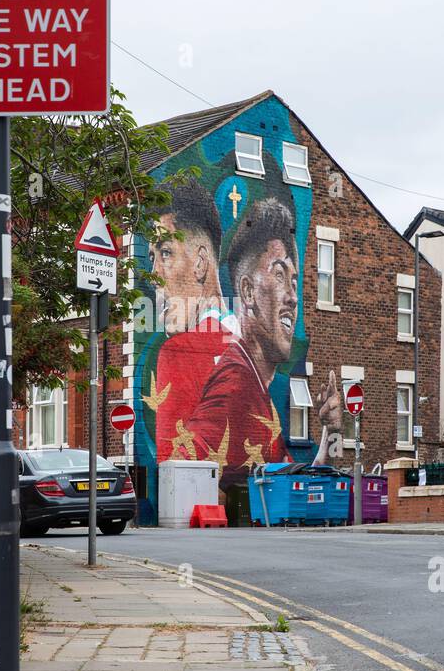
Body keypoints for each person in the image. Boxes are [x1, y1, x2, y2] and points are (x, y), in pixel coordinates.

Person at [172, 194, 341, 489]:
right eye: (279, 275)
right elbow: (185, 464)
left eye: (294, 281)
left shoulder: (255, 385)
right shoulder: (237, 382)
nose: (292, 296)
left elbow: (291, 484)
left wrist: (330, 433)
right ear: (247, 292)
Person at [145, 180, 238, 461]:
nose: (154, 276)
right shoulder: (250, 347)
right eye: (152, 258)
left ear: (200, 263)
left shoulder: (177, 352)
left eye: (165, 253)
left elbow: (172, 465)